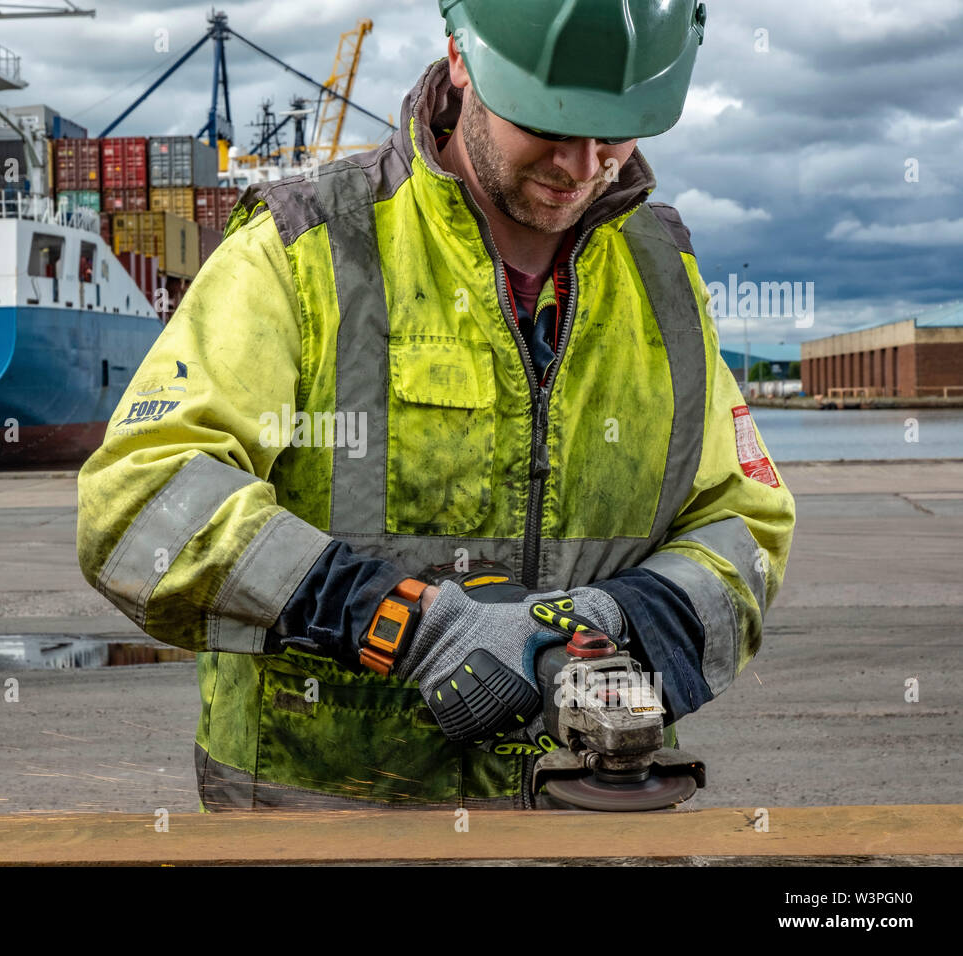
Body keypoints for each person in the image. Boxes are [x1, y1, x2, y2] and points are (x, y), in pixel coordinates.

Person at [77, 0, 795, 810]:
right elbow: (140, 500)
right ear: (461, 57)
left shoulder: (663, 271)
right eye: (548, 123)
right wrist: (407, 626)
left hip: (592, 821)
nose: (582, 164)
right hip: (331, 833)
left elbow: (746, 525)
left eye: (615, 133)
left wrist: (618, 618)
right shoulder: (306, 248)